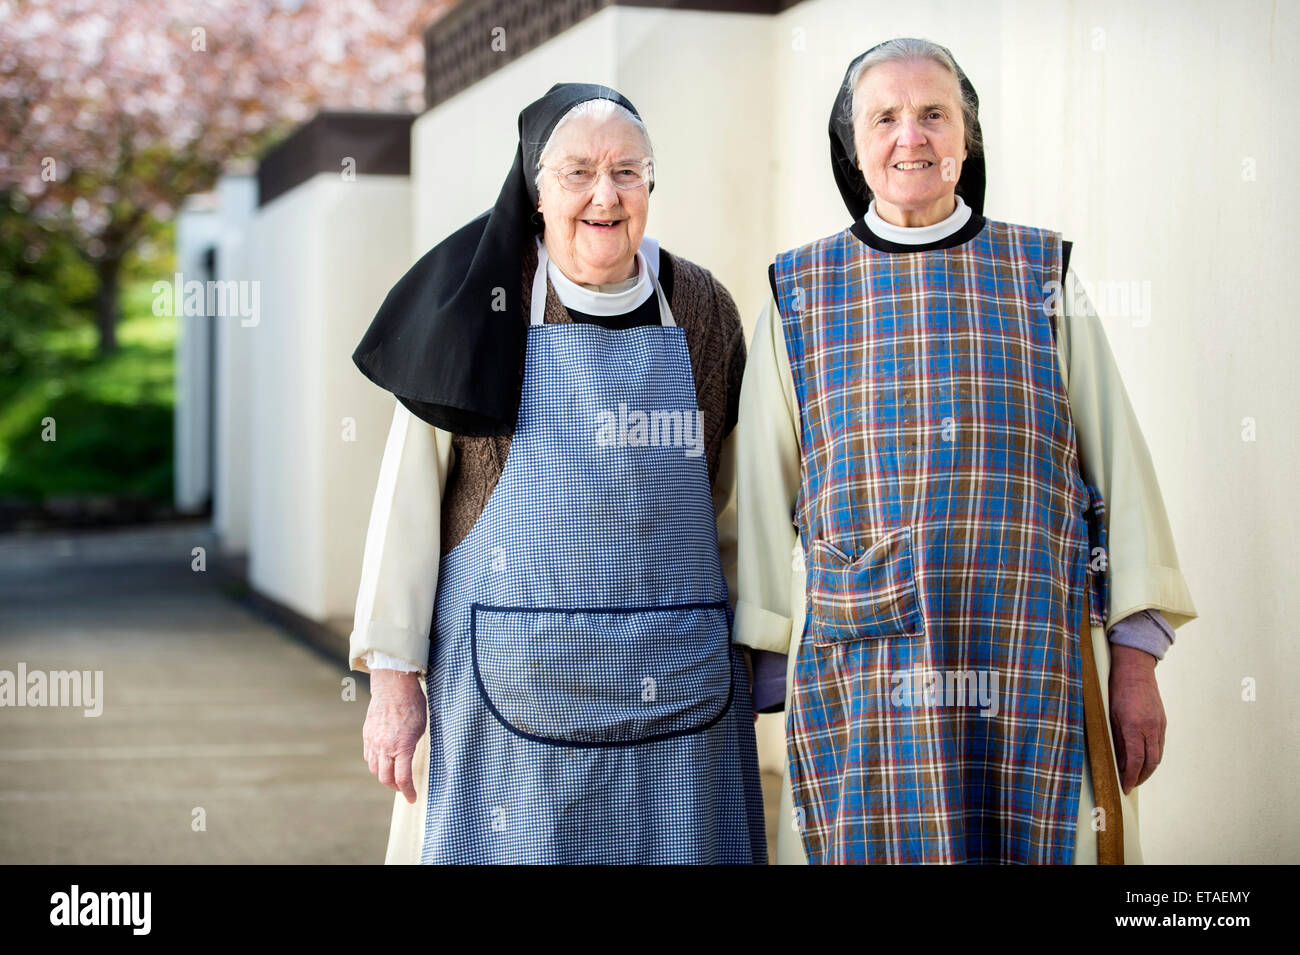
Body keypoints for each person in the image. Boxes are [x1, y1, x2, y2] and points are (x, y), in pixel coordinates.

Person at [732, 39, 1198, 864]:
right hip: (869, 668)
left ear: (967, 138)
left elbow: (1120, 467)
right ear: (853, 145)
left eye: (933, 114)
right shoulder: (798, 292)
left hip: (1035, 658)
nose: (910, 136)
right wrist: (764, 669)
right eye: (885, 118)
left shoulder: (1039, 272)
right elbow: (765, 499)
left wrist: (1137, 662)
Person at [348, 83, 767, 864]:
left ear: (650, 184)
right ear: (535, 190)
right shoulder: (478, 306)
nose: (604, 196)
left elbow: (735, 501)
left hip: (679, 696)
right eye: (578, 173)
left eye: (628, 172)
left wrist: (761, 648)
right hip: (508, 697)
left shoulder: (703, 307)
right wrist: (394, 682)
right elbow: (406, 503)